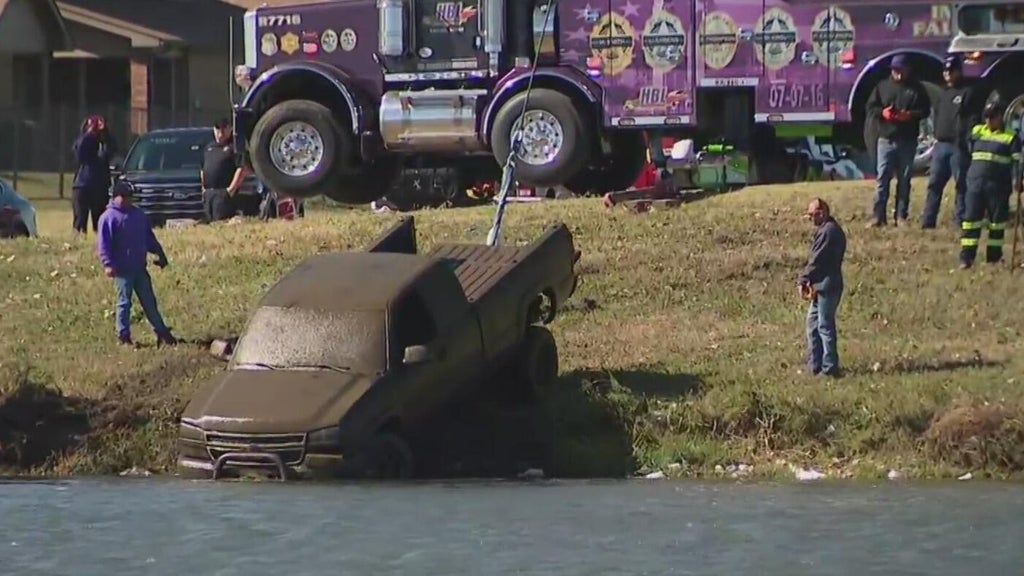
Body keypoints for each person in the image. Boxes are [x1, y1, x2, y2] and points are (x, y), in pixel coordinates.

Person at [96, 180, 178, 347]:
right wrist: (107, 263)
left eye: (131, 198)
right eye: (126, 197)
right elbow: (104, 244)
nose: (129, 201)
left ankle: (161, 331)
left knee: (149, 301)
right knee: (124, 302)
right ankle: (123, 335)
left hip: (139, 267)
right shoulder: (108, 218)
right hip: (122, 269)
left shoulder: (138, 215)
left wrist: (159, 253)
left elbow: (148, 237)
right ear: (117, 196)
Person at [865, 55, 931, 227]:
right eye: (896, 71)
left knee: (904, 179)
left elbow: (925, 110)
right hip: (885, 139)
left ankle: (901, 216)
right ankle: (878, 216)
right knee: (882, 179)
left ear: (908, 70)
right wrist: (883, 113)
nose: (899, 75)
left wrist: (910, 115)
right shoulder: (882, 86)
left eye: (902, 71)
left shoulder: (917, 88)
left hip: (907, 140)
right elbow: (870, 107)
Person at [958, 97, 1023, 269]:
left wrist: (1018, 180)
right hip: (975, 184)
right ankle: (966, 258)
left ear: (1001, 116)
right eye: (986, 116)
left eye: (992, 116)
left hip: (998, 187)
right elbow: (965, 144)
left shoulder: (1011, 137)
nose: (988, 120)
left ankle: (993, 259)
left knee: (997, 224)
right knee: (970, 222)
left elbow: (1018, 162)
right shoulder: (977, 131)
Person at [921, 55, 979, 229]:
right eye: (945, 71)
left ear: (958, 71)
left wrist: (965, 139)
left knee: (961, 185)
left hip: (958, 146)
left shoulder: (968, 92)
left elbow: (972, 119)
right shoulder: (943, 94)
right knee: (934, 184)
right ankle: (928, 221)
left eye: (950, 71)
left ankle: (959, 219)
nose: (947, 75)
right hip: (941, 145)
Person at [797, 198, 847, 378]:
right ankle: (815, 364)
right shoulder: (827, 230)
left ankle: (830, 367)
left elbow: (817, 260)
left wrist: (803, 279)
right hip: (821, 285)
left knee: (825, 326)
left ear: (822, 212)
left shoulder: (828, 232)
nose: (810, 219)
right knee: (812, 325)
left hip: (828, 285)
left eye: (812, 215)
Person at [72, 115, 115, 235]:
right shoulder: (83, 143)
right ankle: (78, 244)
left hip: (99, 188)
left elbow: (111, 149)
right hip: (82, 186)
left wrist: (105, 133)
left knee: (101, 223)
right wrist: (89, 134)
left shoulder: (104, 145)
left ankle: (100, 244)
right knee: (79, 223)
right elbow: (79, 152)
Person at [201, 118, 250, 222]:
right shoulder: (209, 147)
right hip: (209, 193)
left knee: (221, 221)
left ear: (229, 129)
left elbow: (241, 168)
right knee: (210, 221)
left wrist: (231, 190)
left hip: (224, 192)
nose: (220, 134)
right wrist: (203, 188)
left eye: (223, 130)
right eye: (217, 130)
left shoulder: (234, 147)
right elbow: (203, 168)